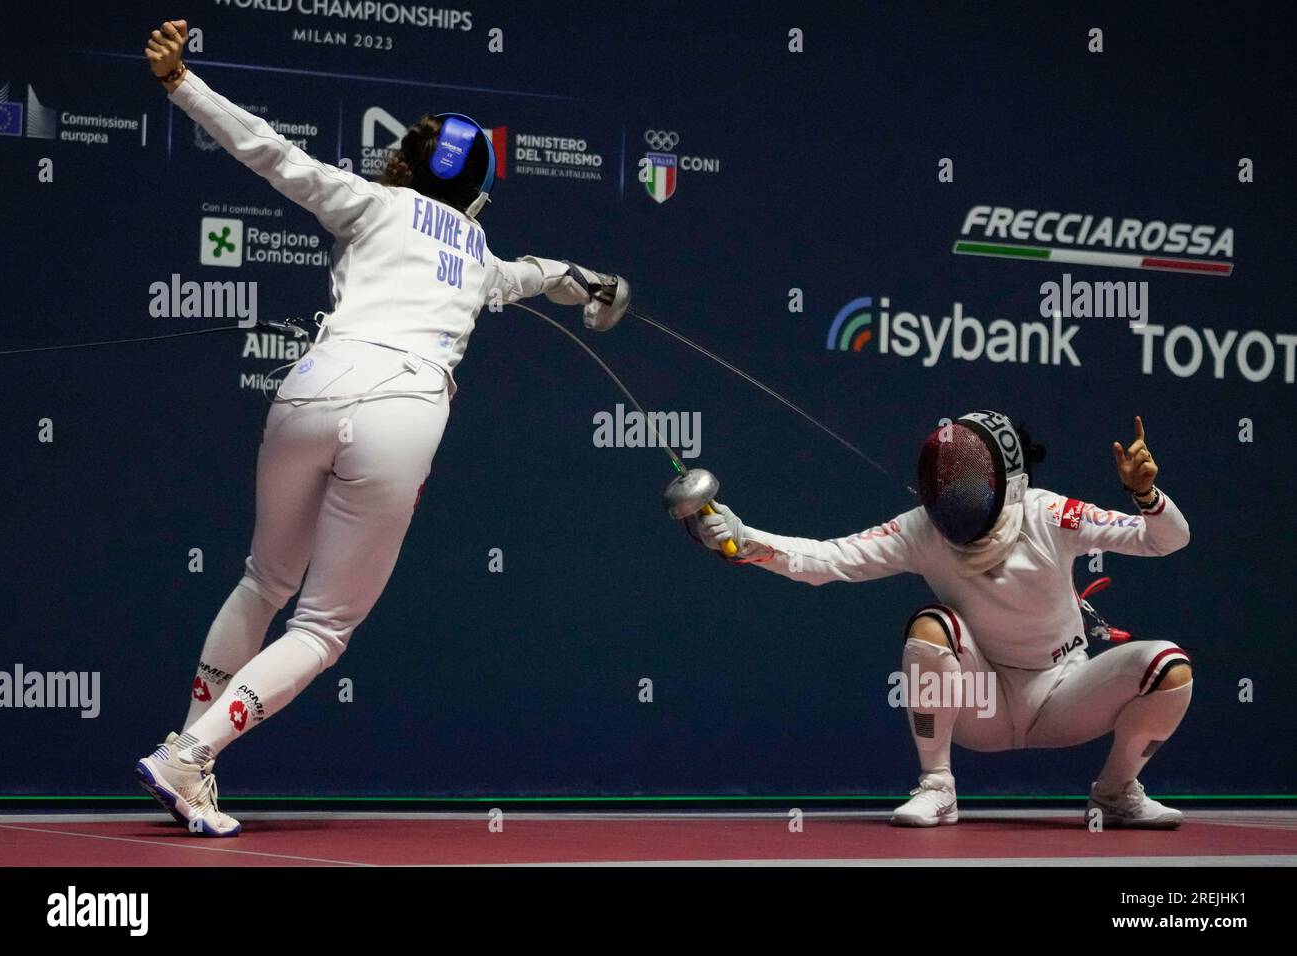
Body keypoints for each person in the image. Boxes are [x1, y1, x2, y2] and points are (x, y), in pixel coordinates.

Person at [136, 20, 623, 836]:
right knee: (323, 626)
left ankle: (185, 742)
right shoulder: (476, 249)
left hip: (314, 388)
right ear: (479, 187)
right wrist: (601, 285)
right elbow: (545, 275)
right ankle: (189, 757)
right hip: (402, 410)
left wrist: (181, 82)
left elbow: (271, 153)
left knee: (264, 581)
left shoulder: (371, 204)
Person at [698, 410, 1193, 828]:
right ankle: (938, 787)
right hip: (982, 704)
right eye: (947, 475)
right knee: (932, 626)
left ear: (1010, 483)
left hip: (1066, 694)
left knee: (1169, 667)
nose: (953, 489)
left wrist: (1146, 498)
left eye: (970, 475)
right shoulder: (925, 529)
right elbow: (828, 560)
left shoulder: (1050, 514)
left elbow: (1166, 540)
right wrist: (744, 538)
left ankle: (1115, 792)